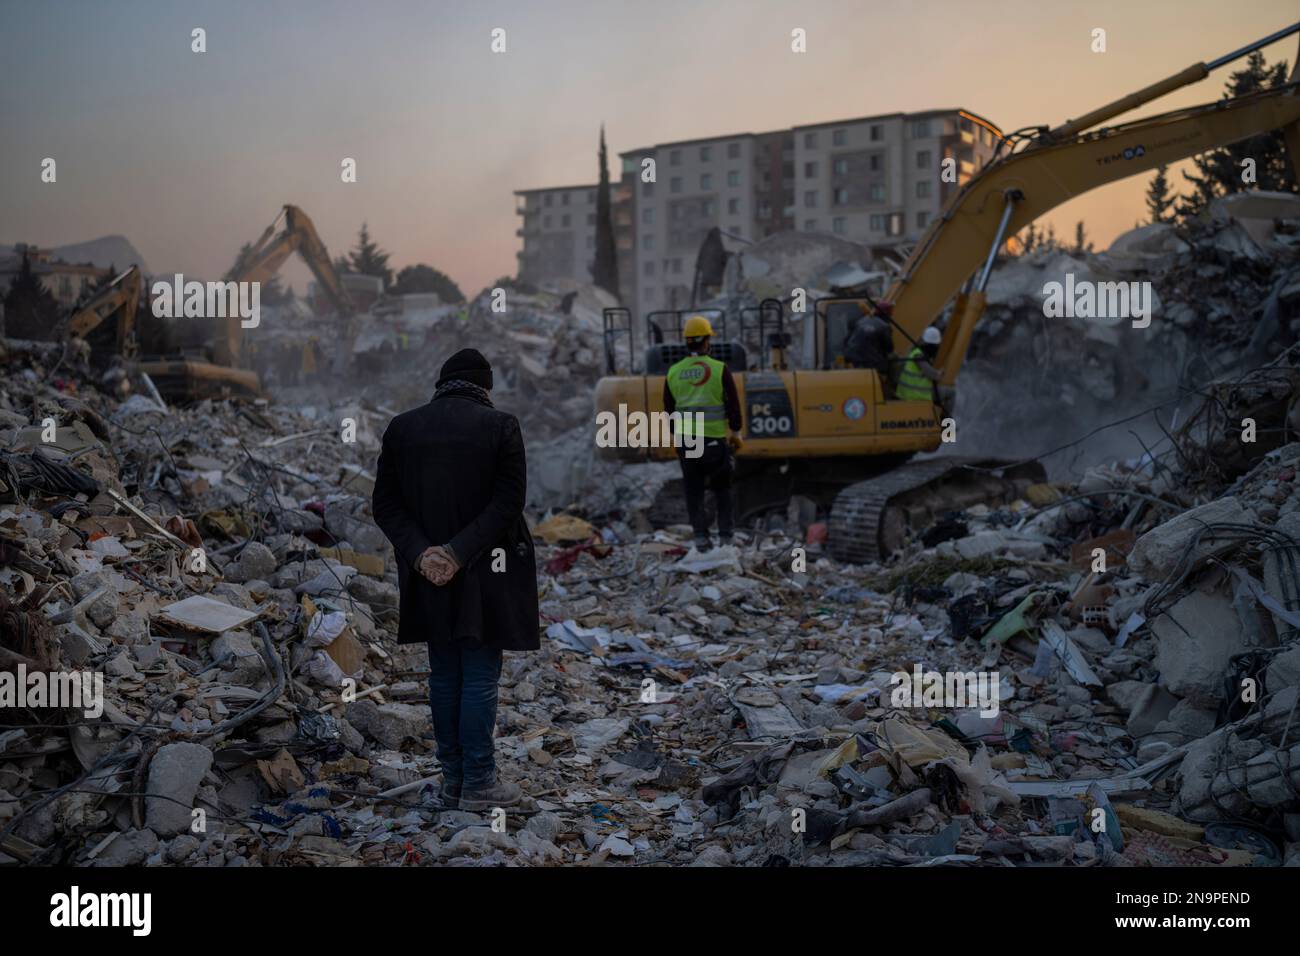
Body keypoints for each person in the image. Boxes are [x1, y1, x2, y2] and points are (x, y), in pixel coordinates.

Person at [372, 348, 539, 811]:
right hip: (486, 571)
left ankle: (452, 782)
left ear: (441, 382)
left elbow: (385, 505)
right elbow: (508, 502)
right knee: (480, 675)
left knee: (444, 674)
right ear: (484, 386)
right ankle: (481, 784)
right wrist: (458, 552)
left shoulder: (402, 428)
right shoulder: (501, 426)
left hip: (427, 574)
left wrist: (424, 553)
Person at [662, 314, 744, 551]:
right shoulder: (719, 369)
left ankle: (700, 537)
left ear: (687, 341)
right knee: (722, 489)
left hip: (688, 443)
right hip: (714, 443)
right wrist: (735, 433)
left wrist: (677, 438)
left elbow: (669, 411)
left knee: (694, 490)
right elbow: (733, 406)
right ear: (707, 341)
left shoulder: (673, 372)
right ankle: (726, 537)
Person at [894, 326, 944, 403]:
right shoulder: (919, 356)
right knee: (950, 393)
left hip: (904, 393)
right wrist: (940, 373)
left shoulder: (915, 352)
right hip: (915, 396)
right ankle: (943, 415)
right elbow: (932, 374)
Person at [842, 301, 894, 372]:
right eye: (890, 312)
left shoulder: (861, 321)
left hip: (851, 359)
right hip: (870, 363)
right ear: (886, 313)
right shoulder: (884, 326)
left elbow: (846, 340)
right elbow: (889, 348)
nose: (891, 315)